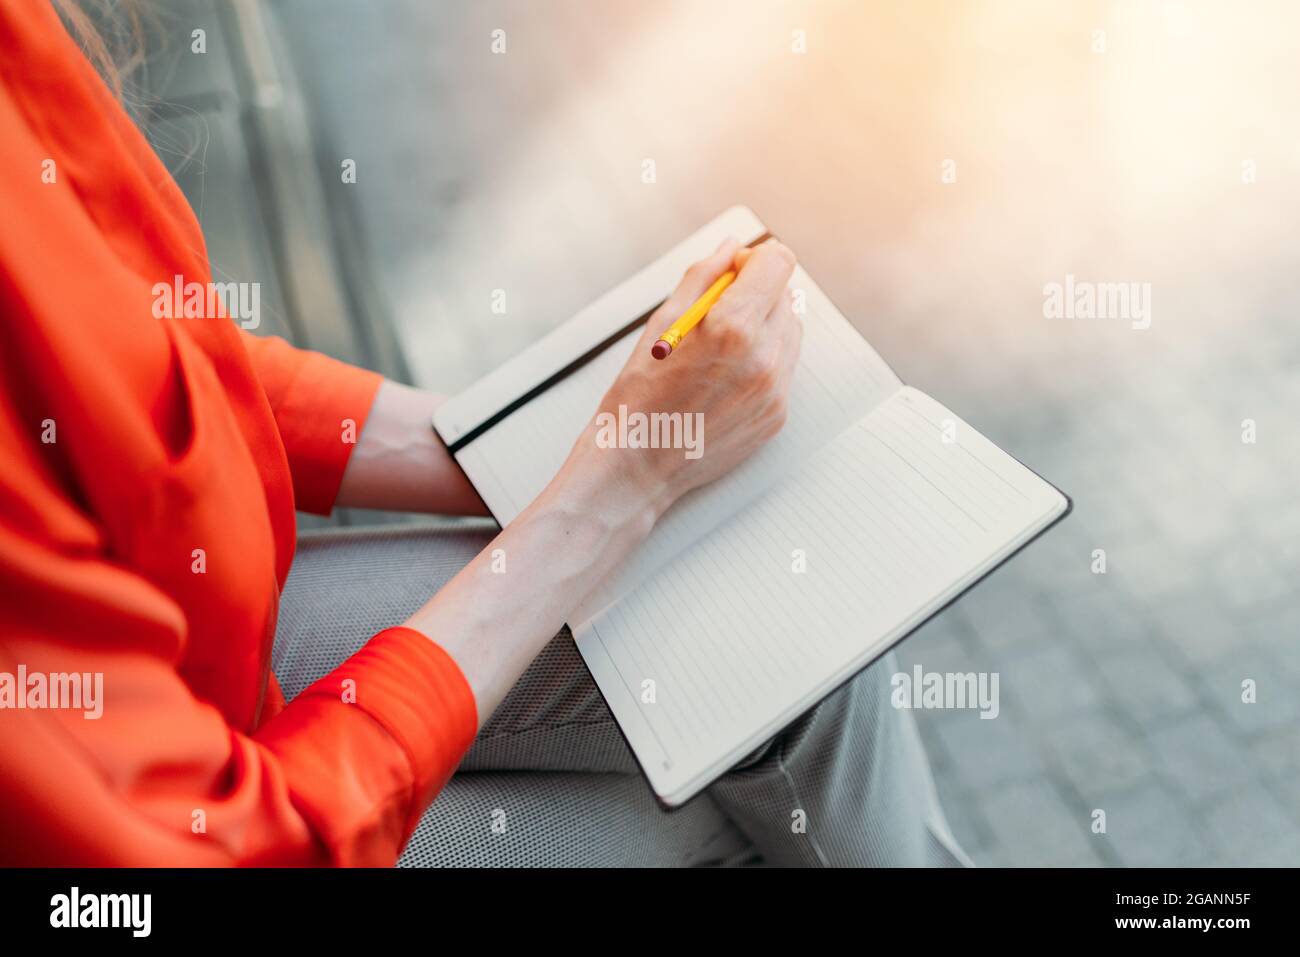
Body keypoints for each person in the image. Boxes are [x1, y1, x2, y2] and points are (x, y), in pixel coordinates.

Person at [0, 1, 967, 866]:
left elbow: (141, 351)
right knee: (728, 800)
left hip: (208, 645)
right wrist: (613, 489)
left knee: (790, 633)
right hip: (191, 807)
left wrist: (522, 448)